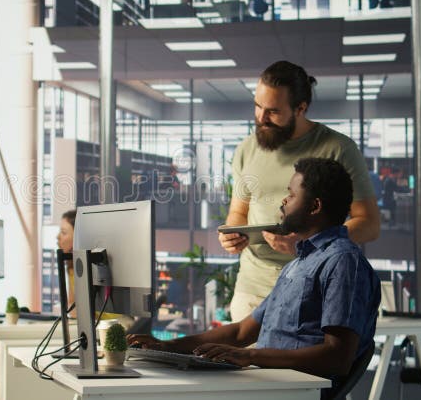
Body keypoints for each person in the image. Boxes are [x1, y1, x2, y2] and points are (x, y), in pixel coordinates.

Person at [131, 158, 380, 400]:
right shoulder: (298, 264)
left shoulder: (343, 262)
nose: (284, 200)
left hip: (296, 391)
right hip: (266, 384)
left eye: (291, 195)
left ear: (315, 206)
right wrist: (167, 347)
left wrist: (250, 357)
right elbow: (241, 333)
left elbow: (337, 357)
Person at [218, 61, 380, 322]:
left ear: (300, 109)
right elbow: (239, 211)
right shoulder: (246, 149)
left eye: (272, 111)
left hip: (312, 288)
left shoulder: (338, 149)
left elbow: (369, 224)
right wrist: (234, 234)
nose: (261, 118)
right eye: (258, 106)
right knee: (241, 363)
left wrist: (310, 243)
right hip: (252, 290)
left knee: (298, 364)